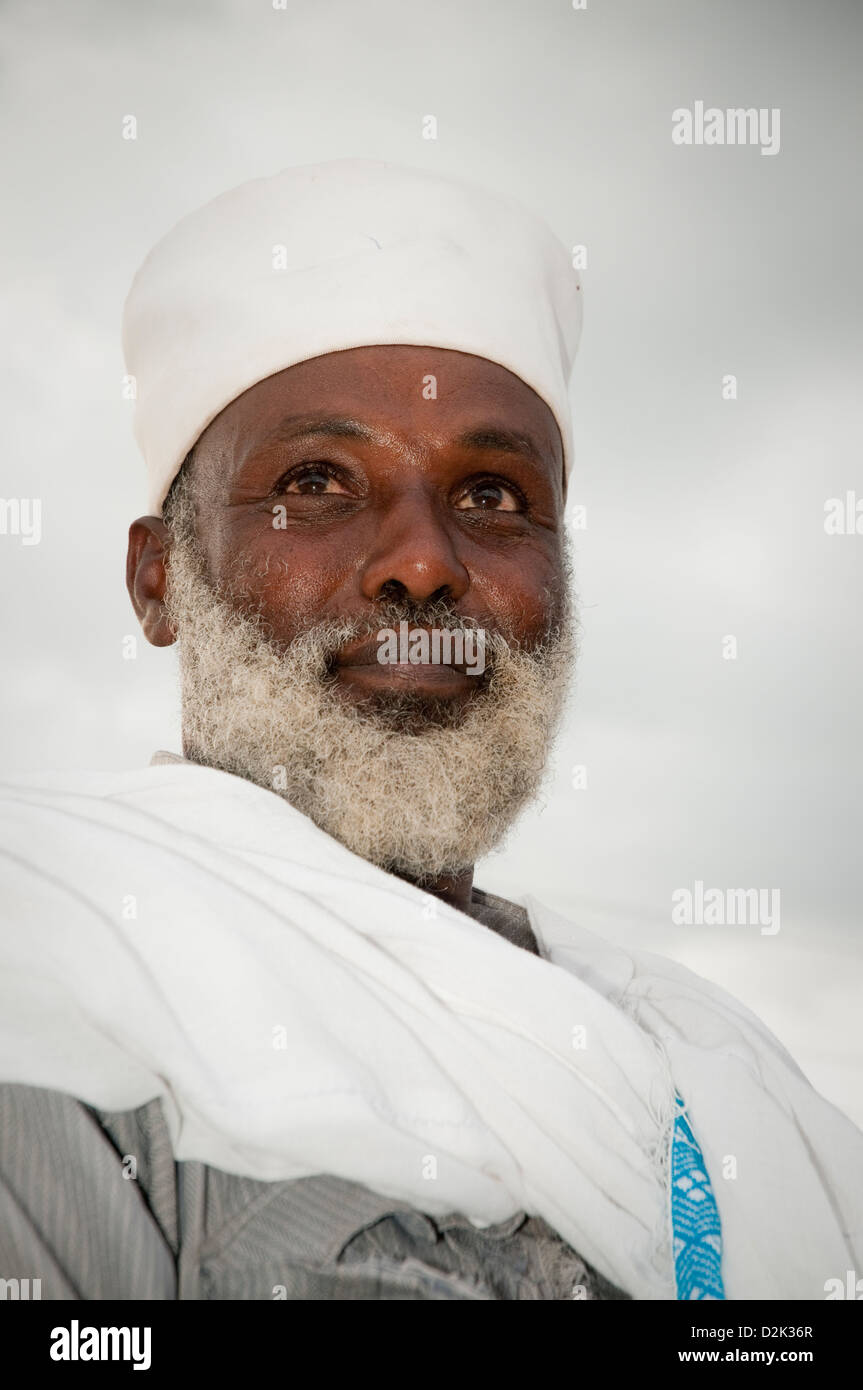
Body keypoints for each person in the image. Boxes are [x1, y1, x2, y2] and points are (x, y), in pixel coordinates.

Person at [0, 160, 859, 1302]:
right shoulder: (50, 986)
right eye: (317, 480)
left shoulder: (717, 1072)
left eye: (491, 496)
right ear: (159, 580)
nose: (421, 561)